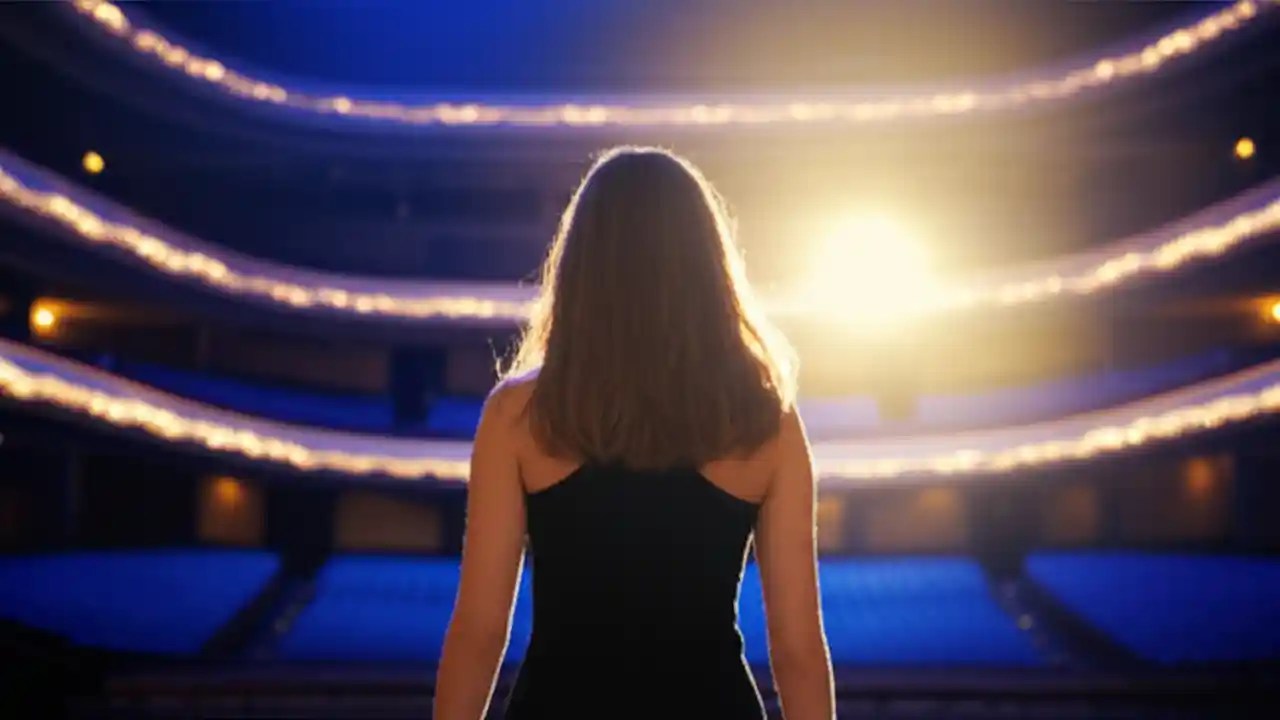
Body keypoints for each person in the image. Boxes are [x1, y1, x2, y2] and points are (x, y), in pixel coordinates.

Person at [434, 147, 834, 719]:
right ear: (707, 269)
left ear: (581, 266)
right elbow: (797, 653)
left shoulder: (516, 415)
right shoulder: (766, 421)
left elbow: (479, 632)